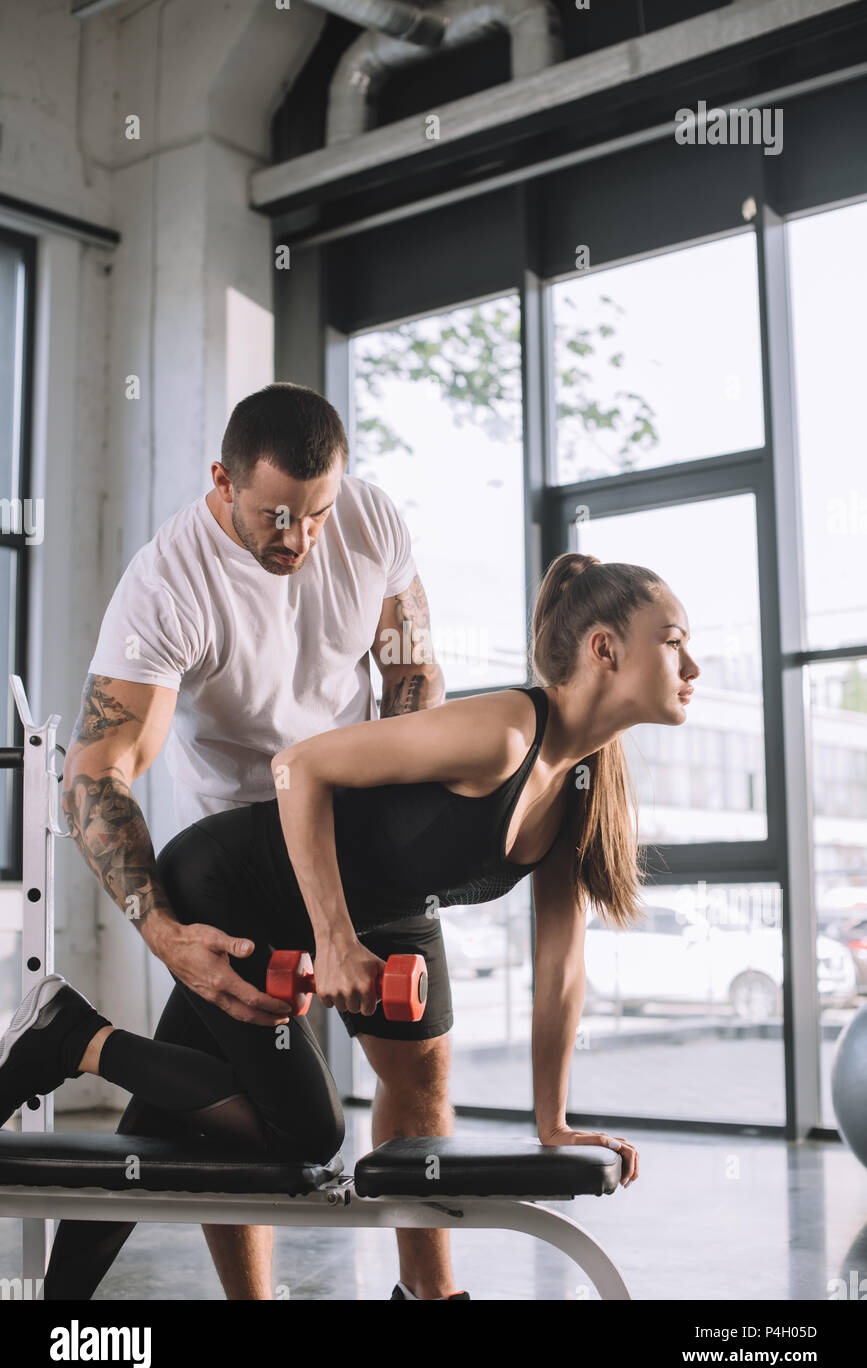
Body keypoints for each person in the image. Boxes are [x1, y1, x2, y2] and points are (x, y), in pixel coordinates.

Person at [0, 552, 700, 1299]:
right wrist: (335, 939)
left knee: (165, 1121)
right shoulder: (502, 732)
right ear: (603, 648)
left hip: (330, 908)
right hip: (229, 887)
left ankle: (58, 1295)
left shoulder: (576, 792)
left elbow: (560, 970)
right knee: (305, 1135)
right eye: (673, 640)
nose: (691, 664)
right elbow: (299, 767)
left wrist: (552, 1121)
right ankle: (75, 1036)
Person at [37, 381, 461, 1302]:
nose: (299, 540)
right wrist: (164, 932)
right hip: (245, 860)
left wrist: (396, 800)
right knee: (266, 1125)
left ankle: (427, 1297)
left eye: (317, 514)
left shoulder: (370, 519)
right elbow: (95, 771)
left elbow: (413, 662)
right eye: (275, 514)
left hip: (359, 832)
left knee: (418, 1071)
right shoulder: (166, 583)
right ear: (222, 481)